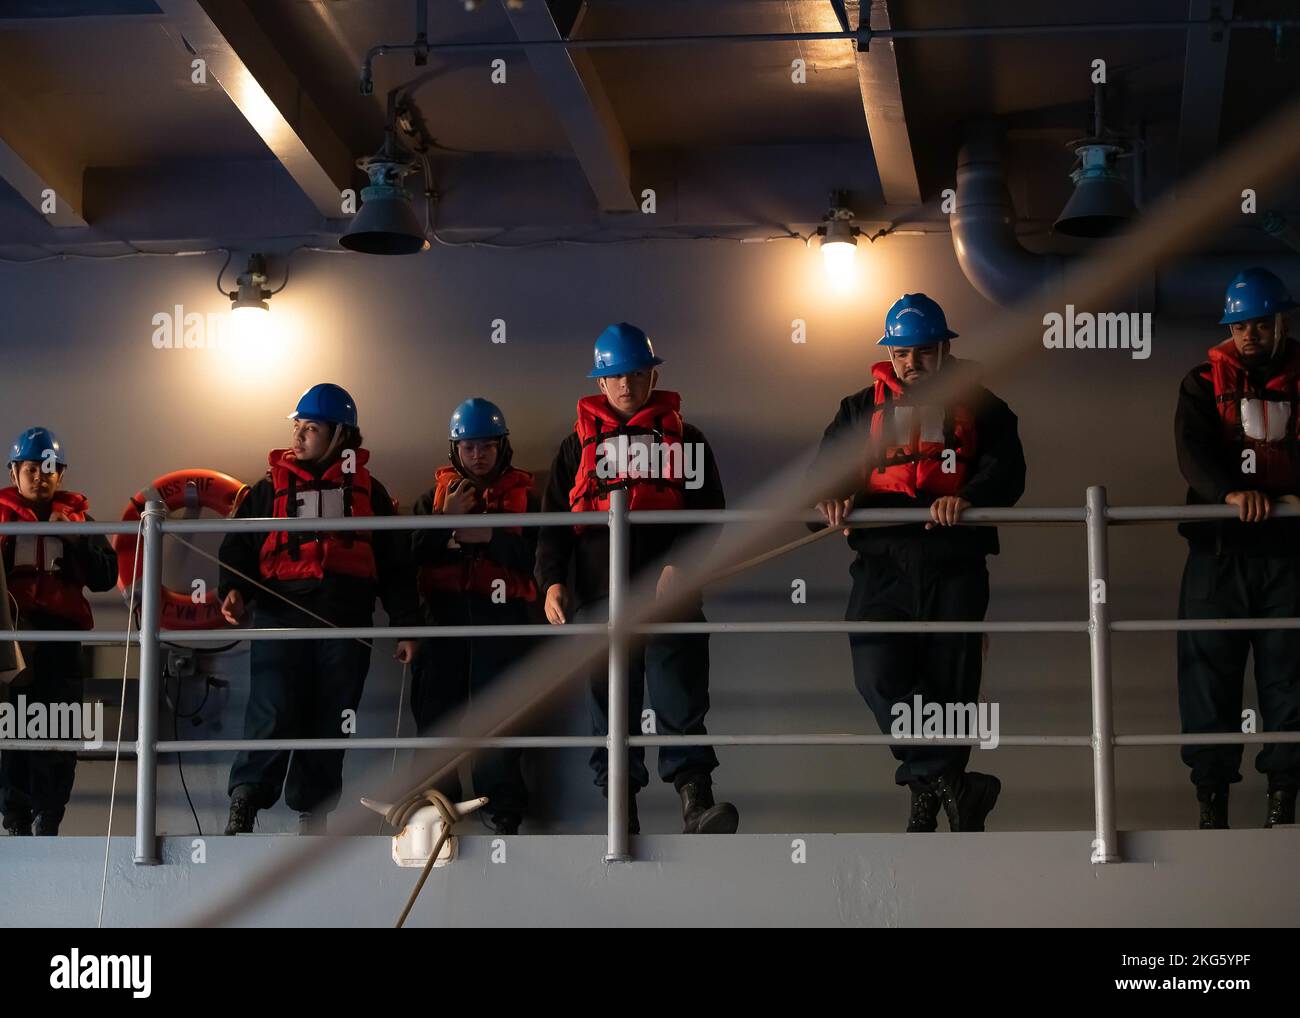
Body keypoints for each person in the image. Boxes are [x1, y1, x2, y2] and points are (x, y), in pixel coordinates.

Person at [811, 294, 1026, 832]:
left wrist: (970, 497)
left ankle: (927, 802)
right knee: (878, 674)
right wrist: (832, 505)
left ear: (944, 349)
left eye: (923, 352)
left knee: (950, 688)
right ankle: (954, 784)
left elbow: (1009, 470)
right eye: (901, 353)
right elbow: (822, 480)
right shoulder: (859, 409)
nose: (911, 363)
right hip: (883, 565)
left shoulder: (982, 406)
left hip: (954, 560)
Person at [537, 323, 738, 834]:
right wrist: (551, 581)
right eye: (615, 376)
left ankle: (696, 802)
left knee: (680, 694)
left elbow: (709, 514)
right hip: (598, 596)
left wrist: (682, 564)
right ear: (600, 384)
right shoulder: (572, 448)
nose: (626, 384)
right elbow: (554, 523)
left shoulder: (687, 441)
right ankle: (619, 811)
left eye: (636, 373)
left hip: (668, 594)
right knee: (611, 704)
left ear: (653, 375)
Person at [219, 383, 419, 834]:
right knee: (272, 707)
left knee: (333, 715)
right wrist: (232, 590)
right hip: (279, 614)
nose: (299, 436)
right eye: (297, 426)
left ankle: (315, 811)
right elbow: (238, 545)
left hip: (345, 618)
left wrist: (407, 626)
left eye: (310, 428)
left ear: (340, 435)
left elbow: (395, 564)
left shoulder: (372, 493)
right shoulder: (267, 488)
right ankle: (246, 800)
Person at [1174, 266, 1300, 829]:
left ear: (1281, 322)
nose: (1249, 334)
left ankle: (1283, 803)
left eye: (1259, 324)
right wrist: (1230, 492)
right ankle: (1212, 806)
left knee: (1290, 678)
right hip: (1217, 556)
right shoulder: (1201, 382)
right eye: (1239, 325)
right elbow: (1193, 453)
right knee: (1207, 679)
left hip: (1289, 555)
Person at [409, 398, 539, 834]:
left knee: (499, 715)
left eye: (486, 446)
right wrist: (444, 522)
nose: (478, 455)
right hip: (442, 620)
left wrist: (488, 535)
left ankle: (502, 808)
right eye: (468, 447)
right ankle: (435, 804)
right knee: (436, 716)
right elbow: (407, 559)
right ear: (455, 451)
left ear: (502, 447)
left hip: (503, 619)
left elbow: (541, 555)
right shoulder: (432, 500)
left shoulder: (529, 499)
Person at [0, 427, 117, 835]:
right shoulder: (1, 518)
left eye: (48, 468)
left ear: (60, 475)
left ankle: (49, 816)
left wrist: (78, 540)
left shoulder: (80, 521)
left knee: (61, 726)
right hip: (10, 641)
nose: (39, 475)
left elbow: (106, 577)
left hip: (61, 642)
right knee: (9, 726)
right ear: (14, 472)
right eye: (30, 468)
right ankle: (14, 818)